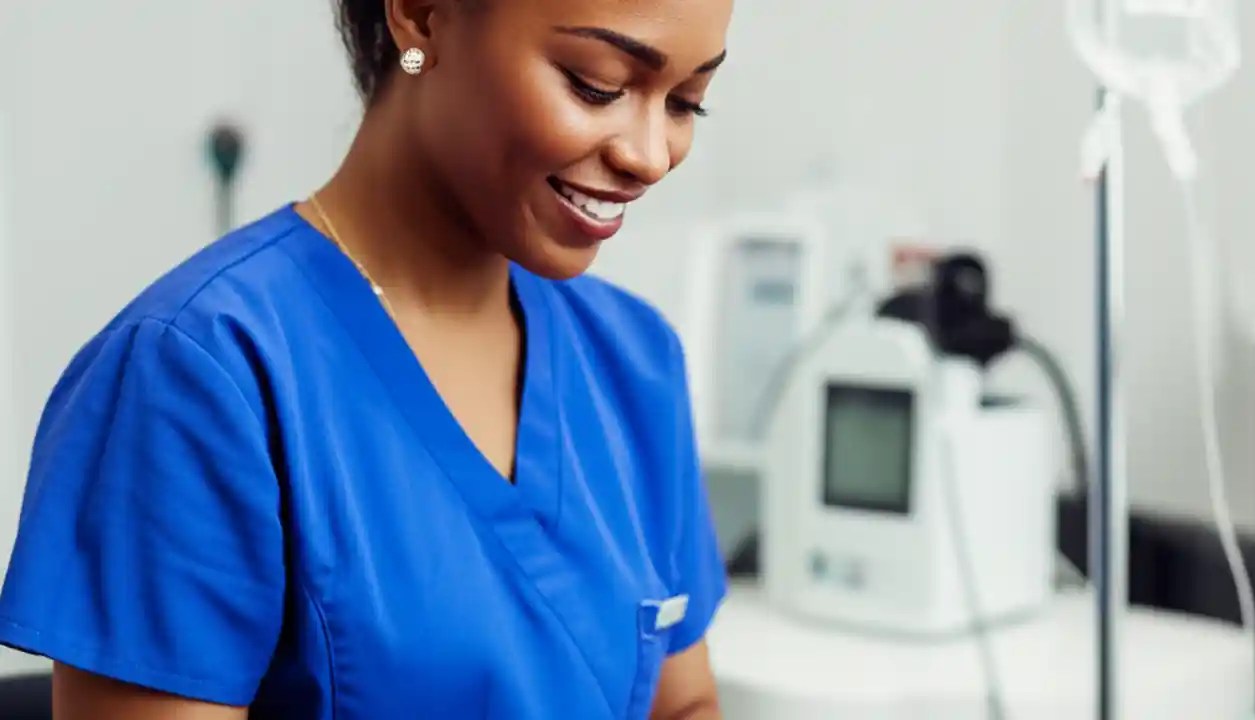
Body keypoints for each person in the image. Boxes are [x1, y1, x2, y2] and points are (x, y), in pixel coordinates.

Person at [0, 0, 734, 717]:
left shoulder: (634, 362)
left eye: (686, 103)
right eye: (596, 84)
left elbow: (683, 702)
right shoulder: (198, 373)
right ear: (420, 15)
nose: (649, 154)